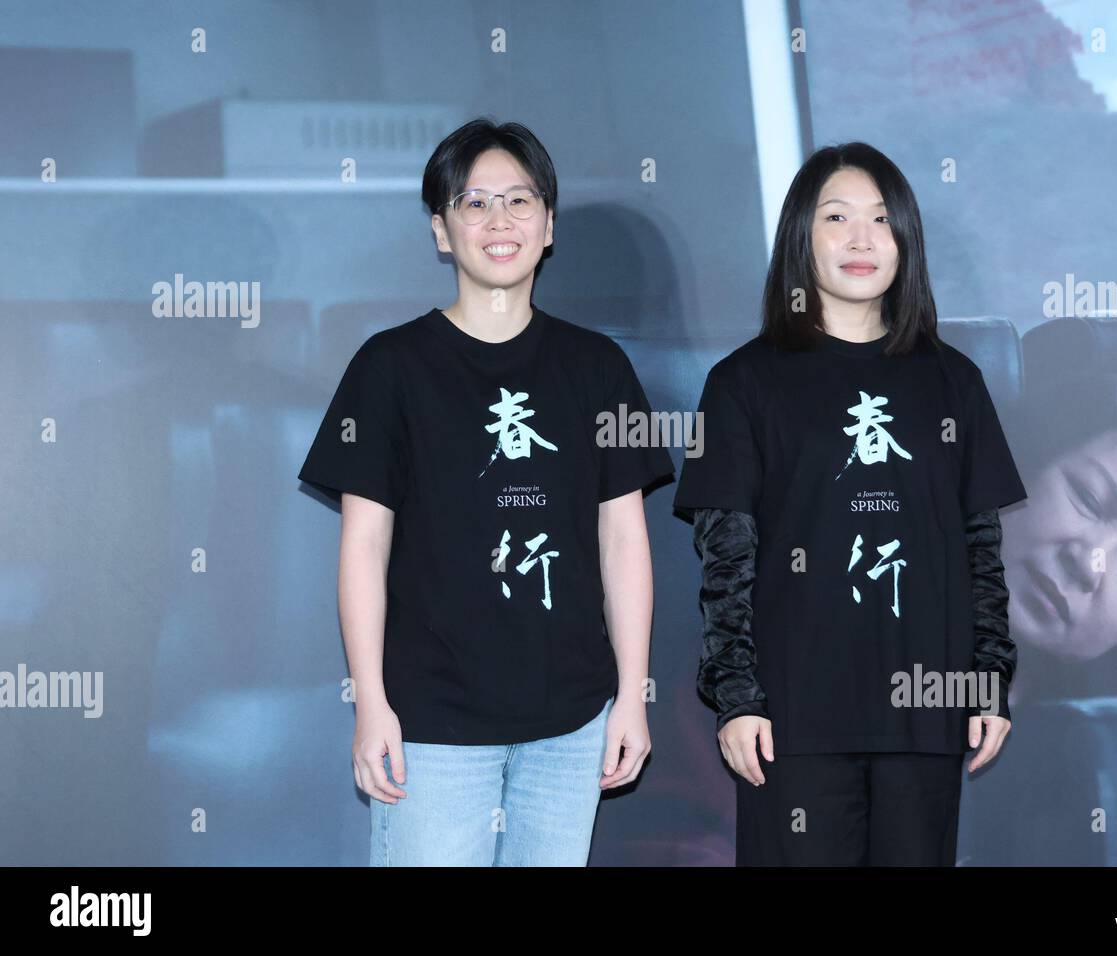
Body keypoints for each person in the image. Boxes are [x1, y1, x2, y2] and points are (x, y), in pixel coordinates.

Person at [297, 117, 675, 866]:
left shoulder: (598, 367)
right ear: (442, 230)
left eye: (519, 201)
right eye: (474, 203)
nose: (499, 221)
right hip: (431, 720)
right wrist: (370, 702)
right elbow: (364, 545)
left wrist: (631, 694)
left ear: (548, 224)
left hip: (572, 720)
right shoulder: (390, 367)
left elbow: (623, 538)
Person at [672, 142, 1028, 866]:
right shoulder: (743, 384)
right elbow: (725, 567)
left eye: (881, 220)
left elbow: (980, 552)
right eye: (837, 217)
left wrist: (987, 683)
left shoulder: (954, 382)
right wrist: (738, 700)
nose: (861, 239)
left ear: (906, 242)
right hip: (794, 722)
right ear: (802, 235)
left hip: (927, 716)